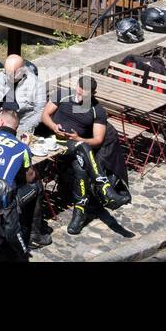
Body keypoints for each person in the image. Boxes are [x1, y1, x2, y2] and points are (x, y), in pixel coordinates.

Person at [42, 76, 129, 234]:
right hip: (54, 142)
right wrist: (54, 126)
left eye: (87, 94)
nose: (82, 96)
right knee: (82, 154)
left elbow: (98, 139)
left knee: (81, 168)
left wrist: (79, 138)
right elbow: (45, 116)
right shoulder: (62, 94)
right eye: (81, 91)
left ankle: (79, 213)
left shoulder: (98, 110)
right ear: (77, 87)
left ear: (94, 93)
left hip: (75, 147)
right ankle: (105, 188)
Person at [0, 109, 52, 249]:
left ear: (1, 122)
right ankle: (34, 235)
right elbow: (30, 179)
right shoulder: (22, 148)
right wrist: (26, 147)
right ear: (16, 128)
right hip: (2, 201)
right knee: (37, 186)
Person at [0, 54, 47, 140]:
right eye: (7, 73)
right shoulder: (1, 76)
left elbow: (40, 112)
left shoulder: (37, 84)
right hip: (0, 121)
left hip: (21, 124)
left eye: (12, 74)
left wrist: (23, 129)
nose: (8, 76)